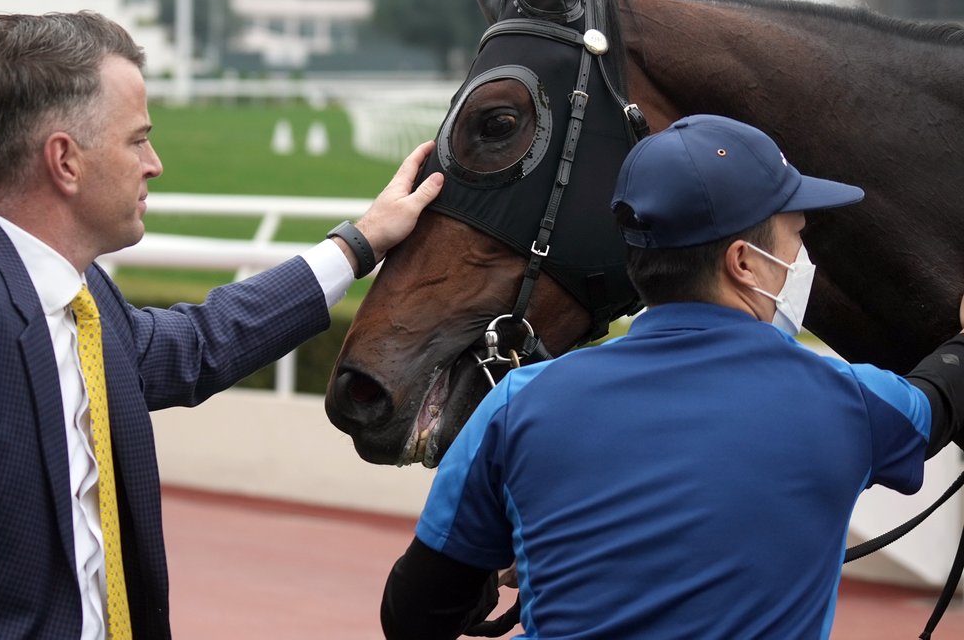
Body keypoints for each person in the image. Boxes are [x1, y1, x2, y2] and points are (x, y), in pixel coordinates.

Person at [0, 10, 444, 639]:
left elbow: (202, 344)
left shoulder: (85, 298)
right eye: (138, 140)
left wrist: (358, 244)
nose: (154, 165)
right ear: (65, 161)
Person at [379, 114, 964, 639]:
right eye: (797, 234)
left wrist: (508, 560)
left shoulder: (517, 403)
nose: (801, 253)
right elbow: (939, 399)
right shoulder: (848, 403)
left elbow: (414, 617)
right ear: (744, 262)